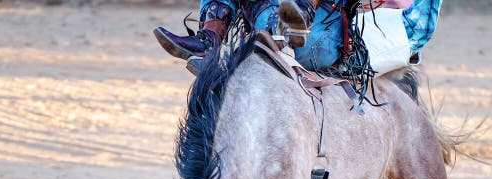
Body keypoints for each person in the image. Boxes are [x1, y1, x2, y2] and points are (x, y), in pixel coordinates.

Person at [154, 0, 442, 72]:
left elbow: (417, 31)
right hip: (274, 19)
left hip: (326, 38)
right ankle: (209, 39)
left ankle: (285, 30)